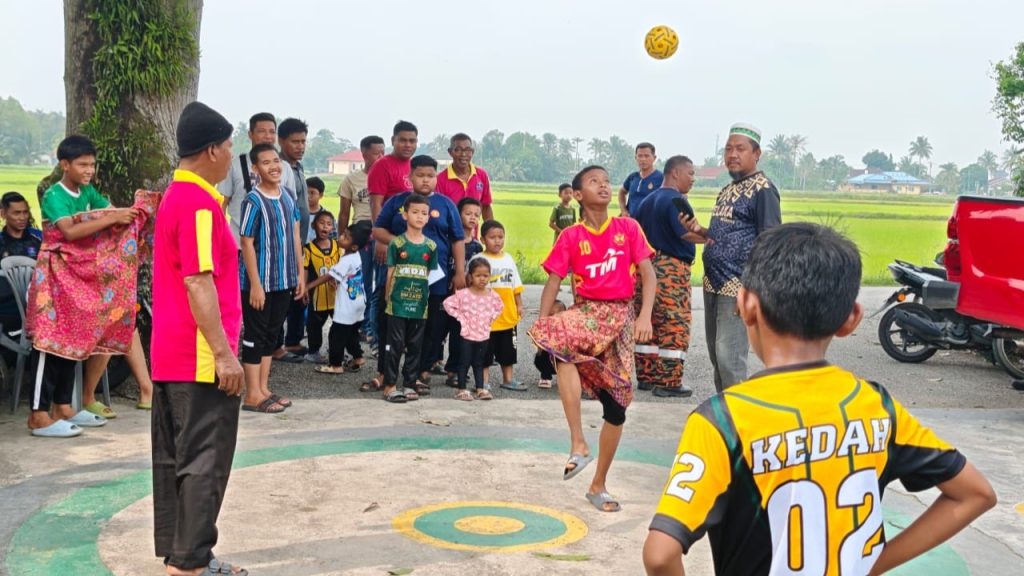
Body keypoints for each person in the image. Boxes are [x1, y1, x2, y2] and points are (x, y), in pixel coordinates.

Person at [642, 223, 997, 576]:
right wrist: (874, 564)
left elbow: (660, 555)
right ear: (851, 319)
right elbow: (976, 494)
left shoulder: (723, 420)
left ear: (746, 304)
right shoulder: (875, 405)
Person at [151, 100, 248, 576]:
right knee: (205, 461)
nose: (233, 155)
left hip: (173, 352)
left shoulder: (175, 195)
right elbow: (198, 281)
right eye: (230, 145)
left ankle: (184, 553)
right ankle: (188, 564)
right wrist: (225, 355)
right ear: (211, 149)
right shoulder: (199, 204)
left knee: (178, 458)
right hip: (200, 357)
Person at [528, 165, 655, 513]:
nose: (603, 185)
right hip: (588, 313)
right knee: (559, 347)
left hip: (622, 319)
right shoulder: (570, 236)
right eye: (594, 181)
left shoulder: (627, 228)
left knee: (617, 408)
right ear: (579, 195)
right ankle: (578, 442)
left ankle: (598, 485)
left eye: (607, 181)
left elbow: (648, 273)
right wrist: (543, 326)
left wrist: (644, 316)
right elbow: (553, 282)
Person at [27, 135, 139, 436]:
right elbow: (70, 232)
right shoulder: (54, 195)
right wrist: (112, 217)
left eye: (92, 164)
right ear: (65, 164)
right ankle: (38, 415)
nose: (89, 170)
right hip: (53, 278)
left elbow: (110, 212)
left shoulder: (88, 191)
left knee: (72, 340)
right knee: (47, 342)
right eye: (83, 164)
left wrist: (128, 215)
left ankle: (63, 407)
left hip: (75, 280)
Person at [681, 123, 781, 391]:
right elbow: (721, 235)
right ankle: (725, 416)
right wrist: (699, 230)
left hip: (738, 287)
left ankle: (739, 423)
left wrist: (753, 291)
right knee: (717, 356)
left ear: (756, 153)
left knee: (730, 359)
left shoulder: (763, 190)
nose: (732, 154)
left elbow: (769, 242)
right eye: (728, 149)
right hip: (713, 284)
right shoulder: (726, 190)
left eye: (740, 149)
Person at [374, 155, 465, 393]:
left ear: (436, 177)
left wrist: (460, 272)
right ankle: (386, 375)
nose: (425, 180)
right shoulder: (397, 202)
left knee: (430, 328)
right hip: (401, 277)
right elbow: (378, 230)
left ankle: (419, 373)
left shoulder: (446, 205)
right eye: (420, 175)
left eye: (431, 176)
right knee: (392, 328)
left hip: (435, 279)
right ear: (410, 176)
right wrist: (404, 244)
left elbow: (457, 239)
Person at [238, 143, 306, 414]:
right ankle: (251, 394)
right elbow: (246, 242)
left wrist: (300, 274)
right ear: (255, 169)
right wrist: (255, 284)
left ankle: (263, 389)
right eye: (265, 162)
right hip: (260, 283)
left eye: (276, 160)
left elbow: (296, 236)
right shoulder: (252, 200)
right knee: (255, 335)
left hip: (284, 280)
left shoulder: (288, 196)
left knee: (271, 336)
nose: (273, 166)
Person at [631, 155, 702, 398]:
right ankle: (669, 382)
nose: (693, 179)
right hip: (671, 269)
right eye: (690, 173)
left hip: (645, 268)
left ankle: (646, 377)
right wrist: (711, 236)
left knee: (649, 319)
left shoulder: (646, 202)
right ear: (675, 173)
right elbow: (687, 234)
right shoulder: (676, 200)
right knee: (674, 323)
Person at [381, 193, 437, 403]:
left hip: (419, 304)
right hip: (397, 304)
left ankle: (409, 383)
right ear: (405, 215)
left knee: (415, 345)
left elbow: (427, 276)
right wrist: (388, 297)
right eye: (415, 212)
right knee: (395, 345)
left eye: (424, 213)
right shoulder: (397, 244)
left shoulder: (431, 247)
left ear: (428, 217)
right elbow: (390, 272)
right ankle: (390, 385)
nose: (419, 217)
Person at [216, 112, 293, 246]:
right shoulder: (235, 165)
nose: (268, 136)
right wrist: (219, 239)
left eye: (272, 132)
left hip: (274, 245)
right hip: (239, 244)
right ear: (250, 134)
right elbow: (221, 203)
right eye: (262, 131)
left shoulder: (285, 168)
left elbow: (290, 208)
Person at [339, 135, 385, 349]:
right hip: (361, 235)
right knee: (362, 281)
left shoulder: (387, 175)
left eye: (383, 152)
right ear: (364, 153)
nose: (381, 157)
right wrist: (343, 243)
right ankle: (362, 325)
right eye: (377, 153)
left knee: (383, 283)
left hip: (383, 234)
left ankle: (376, 327)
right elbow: (344, 212)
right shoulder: (352, 179)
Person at [311, 221, 372, 375]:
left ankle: (335, 364)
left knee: (336, 335)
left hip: (347, 306)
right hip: (358, 302)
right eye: (344, 233)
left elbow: (328, 275)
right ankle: (358, 357)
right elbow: (344, 275)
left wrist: (308, 286)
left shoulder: (346, 260)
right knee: (351, 333)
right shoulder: (356, 256)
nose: (341, 236)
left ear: (354, 246)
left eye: (346, 237)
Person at [443, 258, 504, 401]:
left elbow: (500, 307)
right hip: (467, 335)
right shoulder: (463, 294)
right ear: (470, 276)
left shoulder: (492, 295)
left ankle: (480, 388)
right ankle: (462, 389)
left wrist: (491, 318)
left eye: (485, 275)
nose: (482, 279)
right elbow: (447, 303)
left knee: (479, 363)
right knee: (464, 362)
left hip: (483, 335)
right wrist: (461, 318)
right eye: (478, 275)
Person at [475, 220, 525, 391]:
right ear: (482, 239)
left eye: (500, 237)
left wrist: (519, 304)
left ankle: (508, 379)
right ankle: (484, 382)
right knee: (485, 352)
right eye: (492, 237)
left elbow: (515, 285)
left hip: (508, 314)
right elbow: (471, 285)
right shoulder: (478, 259)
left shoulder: (508, 259)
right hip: (486, 316)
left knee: (508, 351)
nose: (497, 241)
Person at [441, 197, 485, 386]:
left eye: (476, 215)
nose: (472, 218)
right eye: (468, 213)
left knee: (461, 335)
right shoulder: (451, 242)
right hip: (448, 294)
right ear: (457, 216)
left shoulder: (477, 247)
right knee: (439, 332)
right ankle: (430, 364)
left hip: (468, 301)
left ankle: (454, 370)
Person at [276, 118, 311, 359]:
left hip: (301, 241)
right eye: (295, 141)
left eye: (303, 141)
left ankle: (294, 340)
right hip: (286, 243)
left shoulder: (298, 168)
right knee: (281, 295)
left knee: (300, 291)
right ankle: (277, 345)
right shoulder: (278, 167)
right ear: (281, 141)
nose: (300, 146)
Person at [0, 191, 41, 368]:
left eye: (25, 212)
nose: (22, 217)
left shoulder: (38, 238)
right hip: (6, 307)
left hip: (38, 306)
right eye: (16, 213)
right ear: (3, 214)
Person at [302, 211, 341, 364]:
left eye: (329, 223)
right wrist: (304, 287)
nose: (325, 226)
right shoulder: (309, 249)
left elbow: (343, 267)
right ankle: (313, 351)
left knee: (338, 325)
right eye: (321, 223)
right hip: (317, 297)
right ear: (313, 225)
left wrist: (339, 280)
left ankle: (336, 350)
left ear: (333, 227)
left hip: (336, 296)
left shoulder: (337, 246)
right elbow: (305, 269)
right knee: (314, 325)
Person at [436, 133, 494, 222]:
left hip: (473, 234)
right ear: (450, 152)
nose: (463, 154)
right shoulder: (440, 179)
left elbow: (486, 207)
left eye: (467, 150)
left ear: (472, 152)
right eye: (458, 150)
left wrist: (491, 232)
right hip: (450, 234)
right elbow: (439, 212)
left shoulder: (481, 175)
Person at [618, 142, 662, 217]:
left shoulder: (661, 178)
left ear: (654, 158)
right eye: (640, 156)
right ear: (636, 158)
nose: (643, 159)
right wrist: (623, 210)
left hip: (651, 225)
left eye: (646, 156)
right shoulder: (632, 177)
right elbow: (622, 192)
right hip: (632, 224)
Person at [533, 300, 566, 389]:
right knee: (543, 354)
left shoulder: (566, 327)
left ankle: (568, 379)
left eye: (554, 315)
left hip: (562, 358)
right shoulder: (545, 328)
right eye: (549, 314)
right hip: (547, 360)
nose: (551, 318)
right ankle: (545, 377)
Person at [305, 176, 329, 242]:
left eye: (312, 193)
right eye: (306, 192)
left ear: (321, 195)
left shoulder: (326, 216)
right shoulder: (299, 213)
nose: (308, 196)